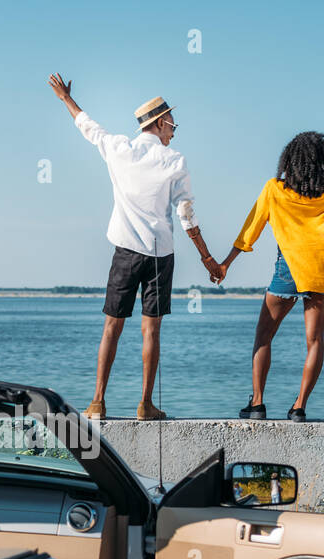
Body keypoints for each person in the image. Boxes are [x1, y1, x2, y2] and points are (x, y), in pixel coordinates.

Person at [48, 73, 224, 421]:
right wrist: (207, 257)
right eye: (172, 121)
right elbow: (186, 214)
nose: (175, 128)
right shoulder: (175, 161)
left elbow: (88, 126)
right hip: (160, 255)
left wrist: (65, 99)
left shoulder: (118, 149)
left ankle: (97, 402)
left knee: (112, 326)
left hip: (126, 251)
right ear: (159, 123)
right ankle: (145, 403)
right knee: (151, 330)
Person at [216, 80, 324, 422]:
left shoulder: (275, 189)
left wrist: (226, 264)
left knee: (264, 335)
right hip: (323, 271)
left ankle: (258, 403)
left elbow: (251, 228)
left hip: (288, 270)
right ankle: (299, 407)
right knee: (314, 340)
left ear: (290, 162)